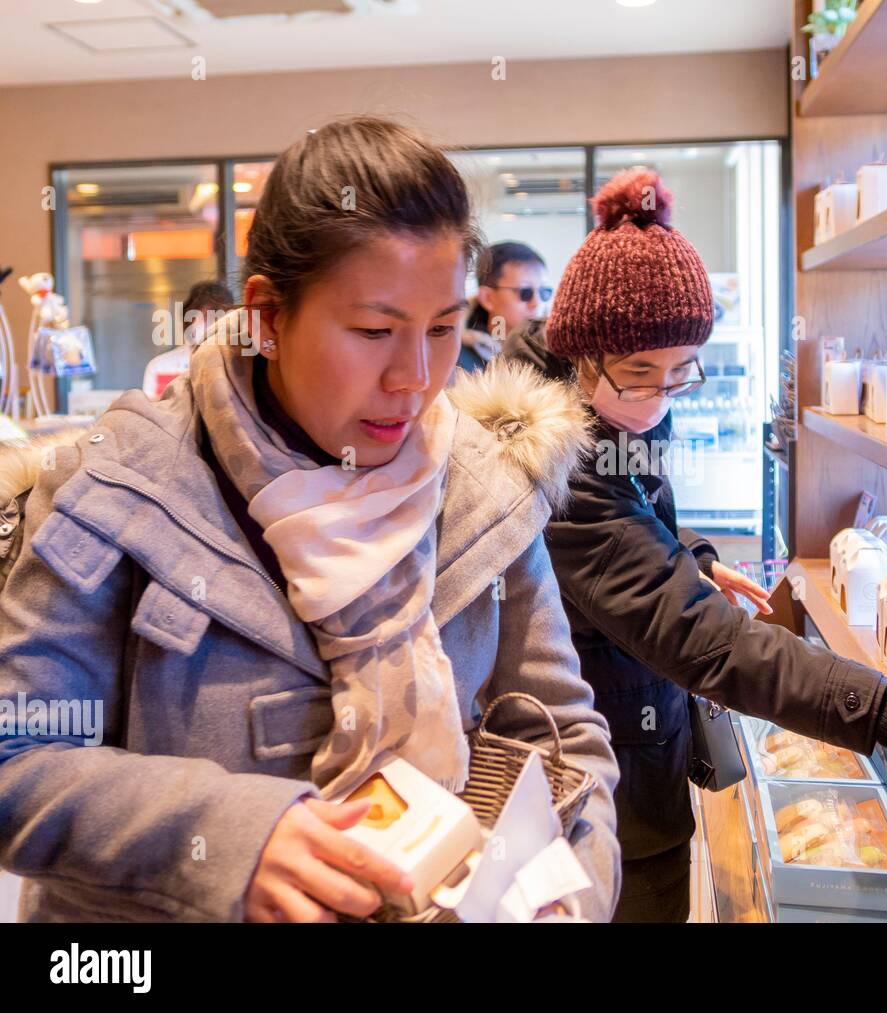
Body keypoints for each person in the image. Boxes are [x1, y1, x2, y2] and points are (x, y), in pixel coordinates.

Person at [0, 117, 620, 923]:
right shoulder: (115, 487)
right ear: (266, 315)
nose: (417, 377)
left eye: (441, 328)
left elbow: (563, 732)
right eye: (374, 331)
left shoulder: (480, 482)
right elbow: (19, 758)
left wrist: (568, 888)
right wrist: (233, 834)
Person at [505, 168, 887, 922]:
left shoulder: (612, 413)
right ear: (581, 355)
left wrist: (688, 555)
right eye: (640, 373)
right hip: (604, 792)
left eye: (680, 373)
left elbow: (639, 517)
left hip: (636, 747)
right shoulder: (559, 472)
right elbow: (712, 644)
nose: (660, 395)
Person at [459, 241, 550, 373]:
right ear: (487, 298)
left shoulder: (555, 352)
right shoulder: (456, 361)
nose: (537, 302)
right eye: (525, 292)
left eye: (544, 292)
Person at [142, 279, 234, 400]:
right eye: (206, 317)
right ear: (189, 320)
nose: (212, 326)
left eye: (218, 318)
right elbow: (150, 413)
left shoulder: (237, 367)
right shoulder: (160, 367)